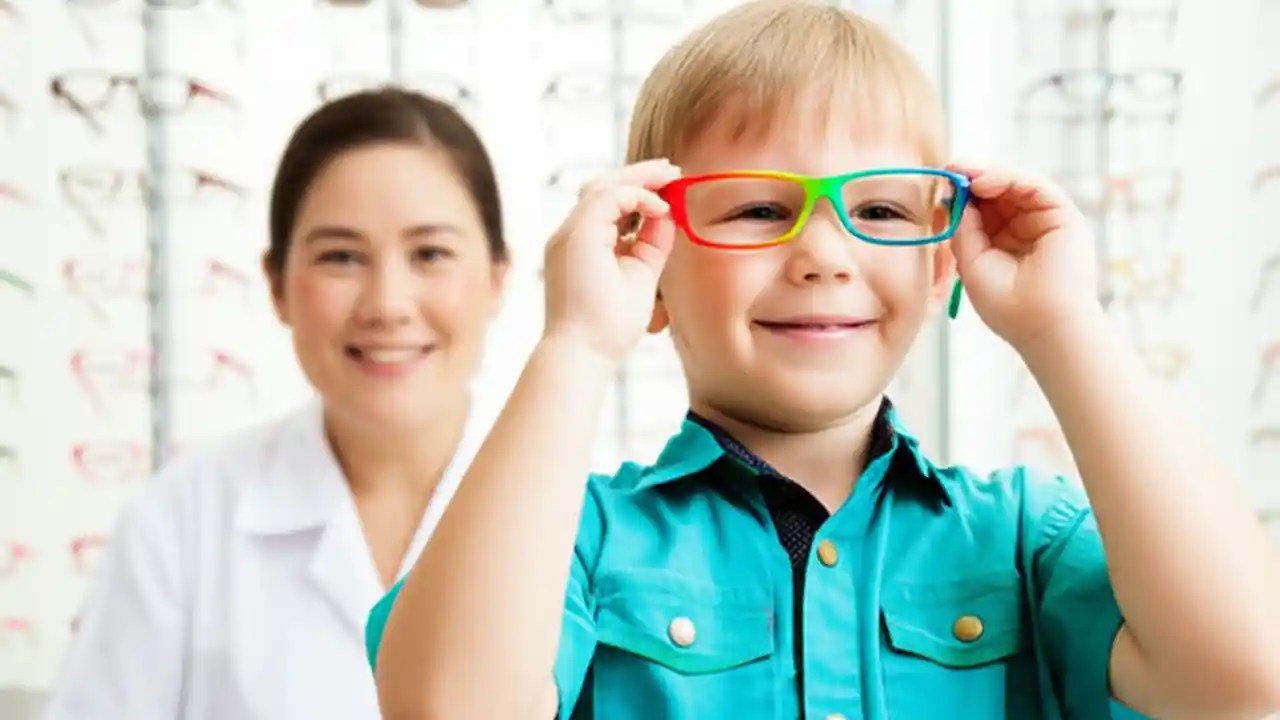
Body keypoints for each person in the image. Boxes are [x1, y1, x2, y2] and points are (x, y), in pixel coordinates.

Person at [366, 3, 1280, 720]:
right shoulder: (582, 544)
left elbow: (1245, 675)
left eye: (879, 212)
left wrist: (1065, 328)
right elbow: (450, 706)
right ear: (650, 267)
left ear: (939, 267)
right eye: (758, 210)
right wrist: (574, 344)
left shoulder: (1021, 538)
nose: (824, 253)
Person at [42, 88, 509, 719]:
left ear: (498, 277)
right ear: (277, 285)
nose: (387, 304)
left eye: (430, 254)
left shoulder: (581, 516)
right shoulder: (178, 524)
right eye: (341, 257)